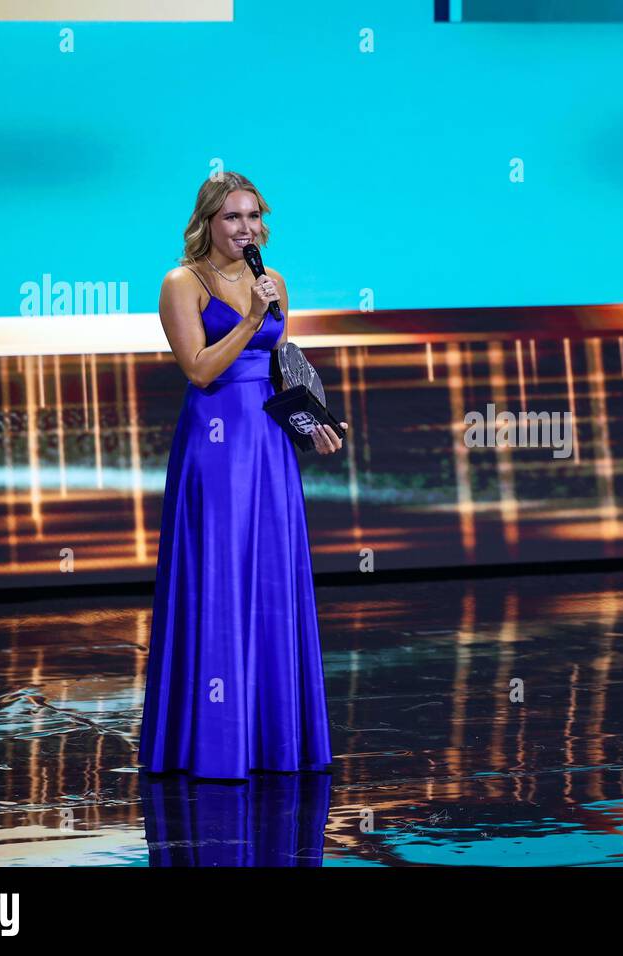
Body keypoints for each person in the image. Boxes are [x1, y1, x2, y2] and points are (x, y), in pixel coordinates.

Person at [139, 172, 347, 779]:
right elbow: (199, 369)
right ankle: (215, 742)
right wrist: (252, 318)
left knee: (272, 575)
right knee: (222, 573)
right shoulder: (183, 282)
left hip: (270, 442)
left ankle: (277, 740)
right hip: (217, 441)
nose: (246, 229)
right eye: (233, 217)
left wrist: (314, 423)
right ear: (207, 222)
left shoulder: (273, 281)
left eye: (253, 217)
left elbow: (286, 366)